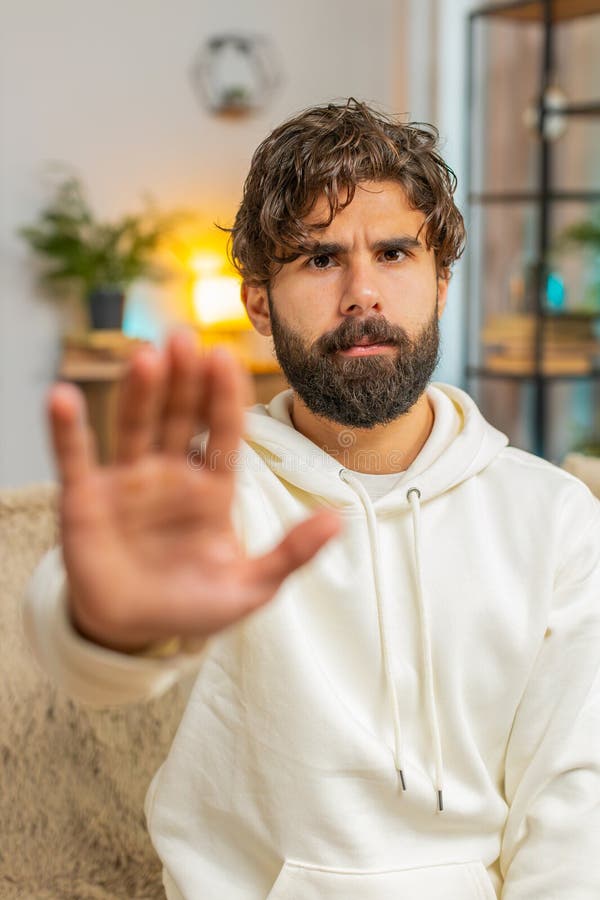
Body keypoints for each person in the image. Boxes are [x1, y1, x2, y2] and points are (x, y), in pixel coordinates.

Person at [25, 99, 600, 900]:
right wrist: (106, 625)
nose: (362, 293)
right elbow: (87, 651)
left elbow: (574, 812)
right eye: (320, 260)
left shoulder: (555, 517)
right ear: (258, 300)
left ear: (440, 281)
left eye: (395, 252)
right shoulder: (209, 489)